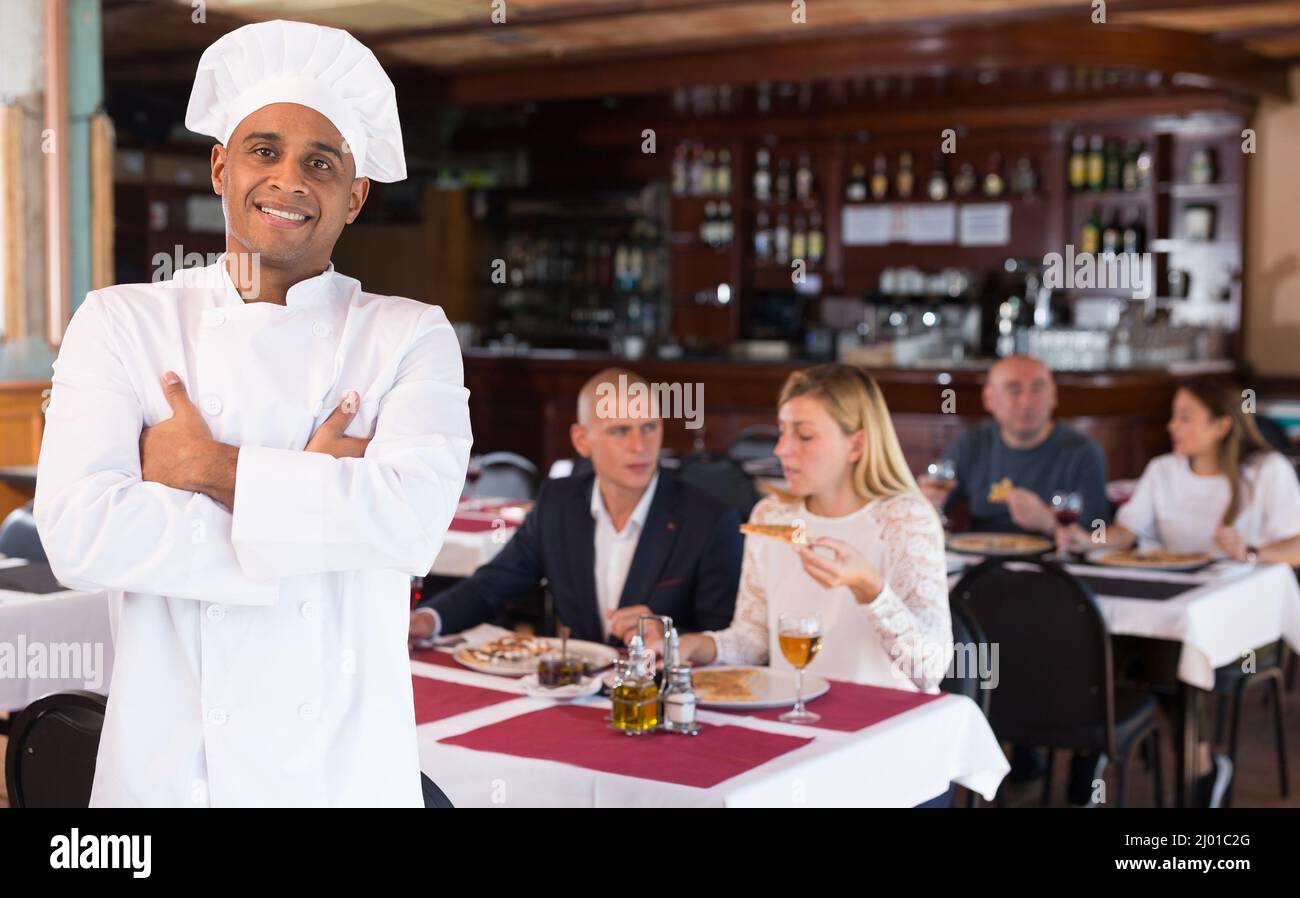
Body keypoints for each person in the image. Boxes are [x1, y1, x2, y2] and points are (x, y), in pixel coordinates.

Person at [33, 20, 470, 807]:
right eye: (264, 150)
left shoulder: (410, 334)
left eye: (321, 162)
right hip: (174, 772)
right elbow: (78, 536)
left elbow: (411, 527)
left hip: (343, 774)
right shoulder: (121, 322)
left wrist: (204, 468)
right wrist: (320, 504)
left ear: (355, 196)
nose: (288, 180)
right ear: (220, 167)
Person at [1067, 378, 1300, 807]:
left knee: (1161, 652)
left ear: (1222, 425)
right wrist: (1084, 539)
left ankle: (1112, 759)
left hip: (1247, 621)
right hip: (1176, 610)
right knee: (1101, 639)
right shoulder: (1164, 469)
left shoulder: (1268, 471)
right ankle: (1178, 764)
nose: (1172, 426)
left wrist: (1251, 551)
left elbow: (1296, 546)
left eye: (1185, 418)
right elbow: (1125, 531)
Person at [665, 364, 951, 693]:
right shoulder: (770, 515)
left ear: (856, 445)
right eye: (782, 432)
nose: (781, 449)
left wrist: (869, 588)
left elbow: (930, 669)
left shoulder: (904, 519)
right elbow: (754, 640)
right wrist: (693, 645)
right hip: (794, 711)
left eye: (804, 436)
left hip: (887, 718)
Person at [409, 368, 742, 647]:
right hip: (578, 691)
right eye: (620, 431)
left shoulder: (710, 521)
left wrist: (668, 637)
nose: (639, 446)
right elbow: (494, 584)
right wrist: (428, 620)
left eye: (649, 428)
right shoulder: (558, 502)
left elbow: (729, 640)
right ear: (582, 441)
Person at [921, 355, 1108, 540]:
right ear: (989, 399)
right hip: (977, 554)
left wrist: (1049, 522)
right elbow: (931, 504)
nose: (1026, 401)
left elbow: (1097, 537)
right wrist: (927, 502)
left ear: (1053, 397)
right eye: (1014, 390)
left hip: (1053, 556)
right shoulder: (970, 443)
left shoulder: (1083, 452)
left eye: (1037, 389)